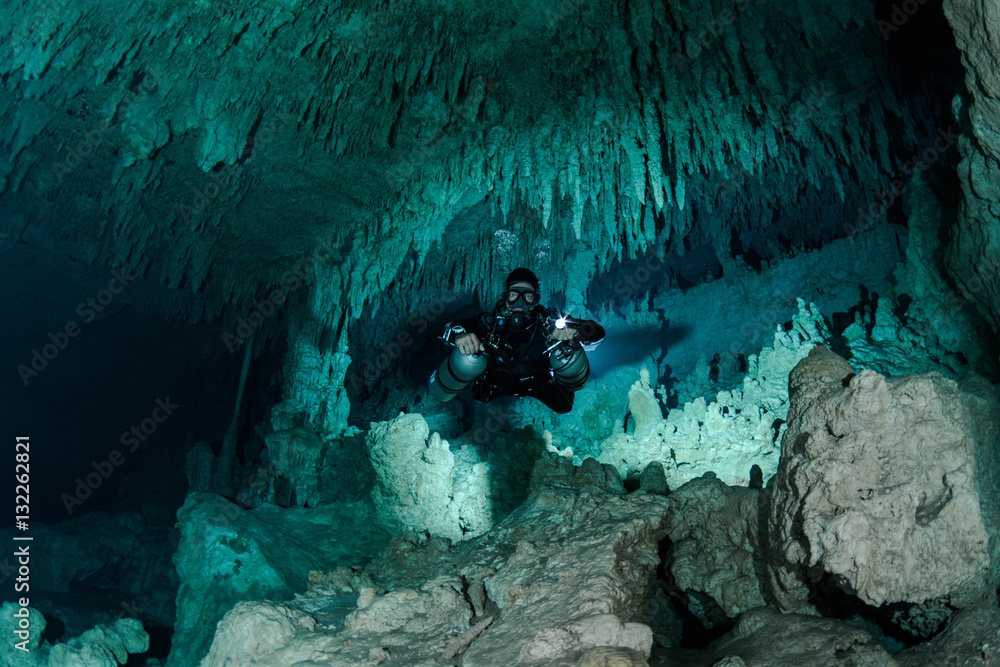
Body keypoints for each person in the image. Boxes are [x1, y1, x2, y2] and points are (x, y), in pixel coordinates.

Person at [428, 268, 605, 414]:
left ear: (536, 301)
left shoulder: (547, 322)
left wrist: (573, 334)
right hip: (496, 382)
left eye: (527, 296)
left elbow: (595, 334)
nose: (519, 303)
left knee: (565, 405)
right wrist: (459, 335)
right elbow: (444, 329)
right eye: (514, 295)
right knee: (471, 370)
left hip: (538, 381)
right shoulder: (490, 323)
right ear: (505, 298)